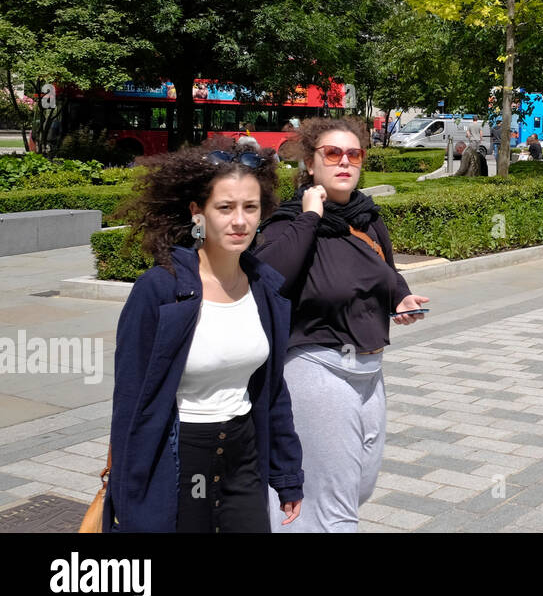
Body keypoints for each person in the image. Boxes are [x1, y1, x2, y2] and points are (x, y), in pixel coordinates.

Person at [108, 140, 303, 533]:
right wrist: (128, 497)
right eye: (225, 208)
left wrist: (286, 474)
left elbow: (273, 389)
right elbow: (131, 403)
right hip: (181, 456)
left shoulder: (265, 287)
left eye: (250, 208)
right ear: (198, 213)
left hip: (243, 452)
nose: (239, 221)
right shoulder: (161, 291)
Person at [254, 116, 428, 532]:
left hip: (370, 370)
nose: (344, 162)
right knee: (331, 503)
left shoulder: (367, 217)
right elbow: (269, 274)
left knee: (358, 487)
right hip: (316, 367)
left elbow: (384, 272)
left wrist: (399, 297)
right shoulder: (289, 221)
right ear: (310, 164)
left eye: (353, 154)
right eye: (332, 153)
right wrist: (310, 219)